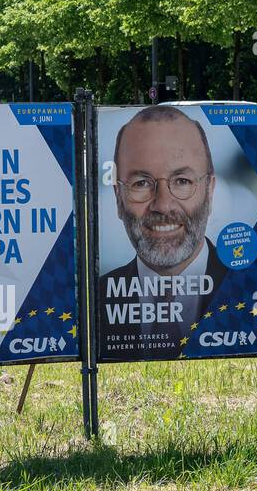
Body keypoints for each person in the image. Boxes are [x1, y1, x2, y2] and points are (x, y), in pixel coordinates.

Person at [96, 106, 227, 357]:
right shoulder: (95, 302)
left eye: (182, 181)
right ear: (118, 198)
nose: (163, 205)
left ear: (209, 191)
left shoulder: (244, 286)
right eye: (141, 183)